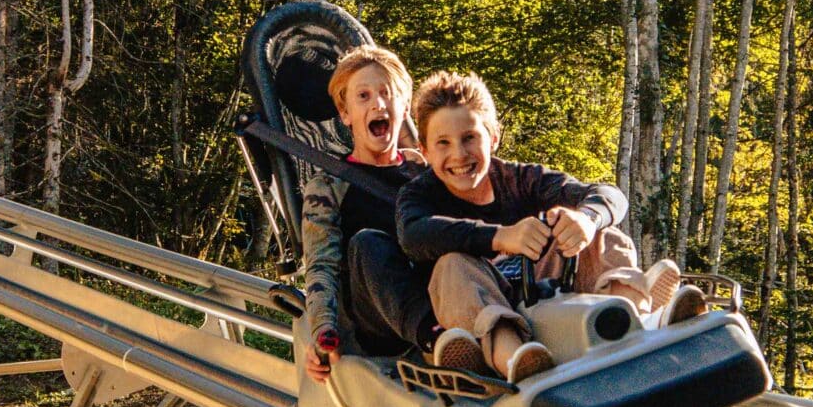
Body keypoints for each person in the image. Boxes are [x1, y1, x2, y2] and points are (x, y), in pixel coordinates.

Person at [396, 69, 703, 382]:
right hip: (488, 314)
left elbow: (609, 196)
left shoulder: (520, 179)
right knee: (452, 266)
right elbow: (414, 235)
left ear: (493, 137)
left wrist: (587, 219)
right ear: (425, 150)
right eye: (443, 143)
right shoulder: (419, 194)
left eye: (469, 138)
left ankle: (640, 317)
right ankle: (516, 360)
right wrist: (501, 237)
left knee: (601, 235)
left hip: (545, 298)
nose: (459, 154)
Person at [300, 45, 437, 382]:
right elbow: (321, 266)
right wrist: (321, 331)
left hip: (435, 296)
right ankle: (436, 340)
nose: (378, 103)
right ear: (346, 114)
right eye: (363, 96)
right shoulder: (328, 185)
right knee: (369, 245)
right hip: (375, 325)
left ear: (403, 106)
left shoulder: (426, 170)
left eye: (387, 94)